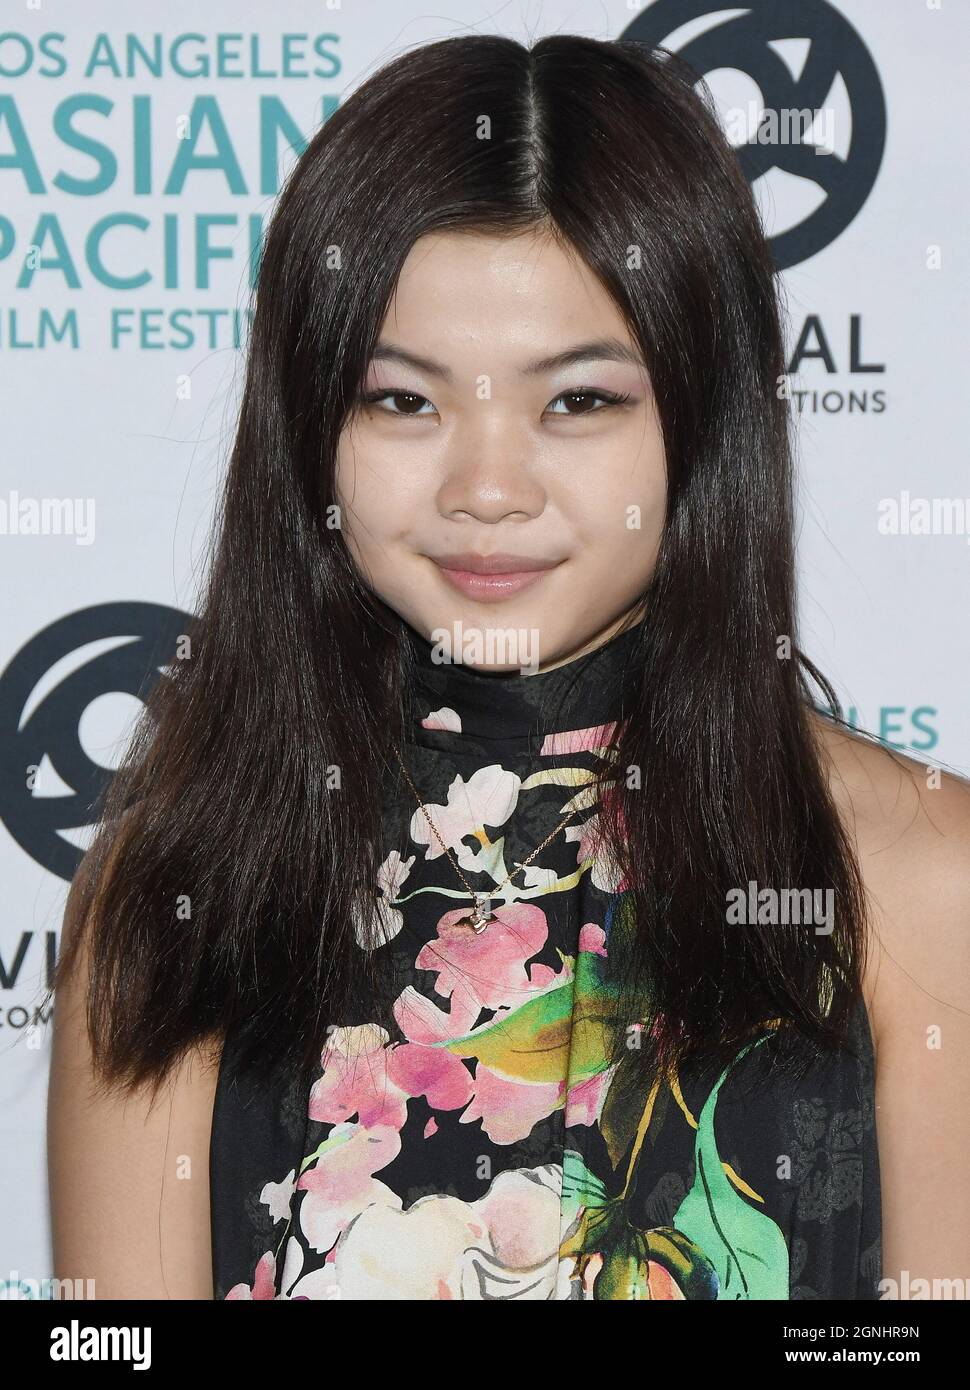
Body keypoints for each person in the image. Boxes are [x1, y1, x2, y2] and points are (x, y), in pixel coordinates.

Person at [47, 33, 970, 1301]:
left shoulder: (923, 875)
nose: (486, 489)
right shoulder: (175, 888)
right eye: (403, 401)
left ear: (703, 418)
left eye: (577, 402)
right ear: (310, 425)